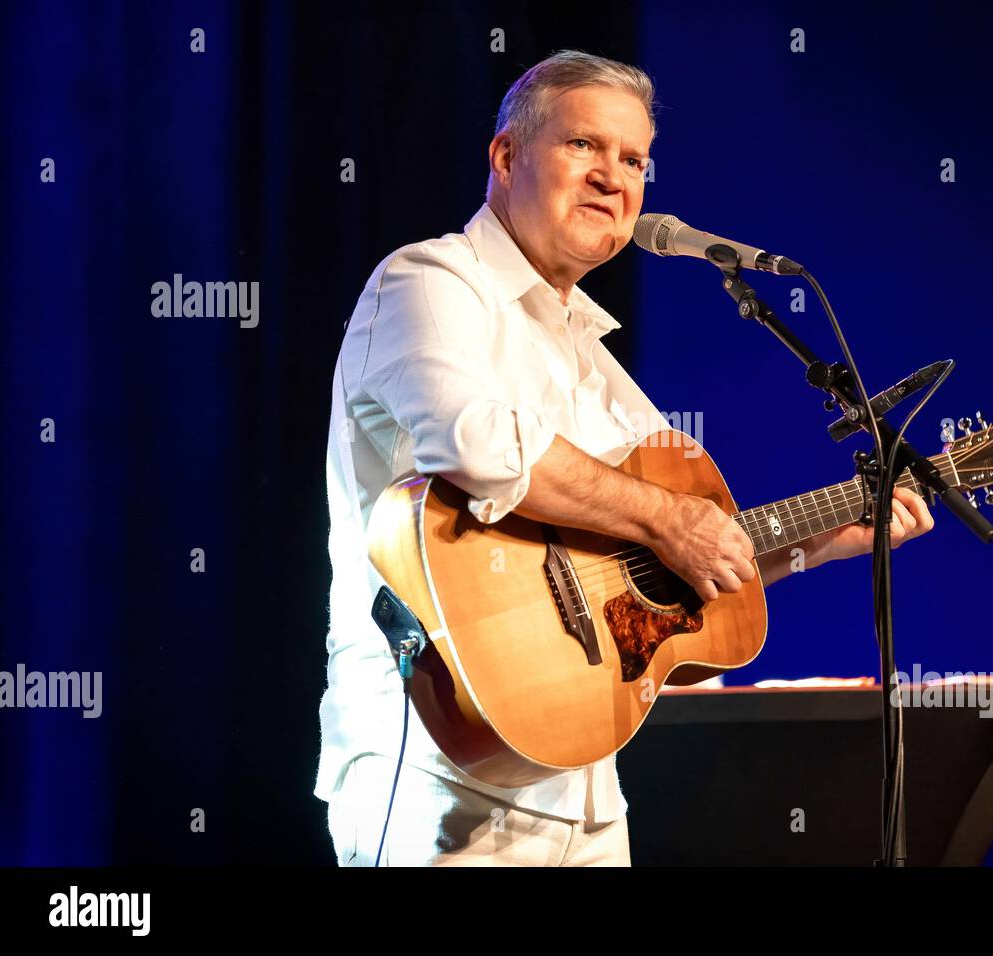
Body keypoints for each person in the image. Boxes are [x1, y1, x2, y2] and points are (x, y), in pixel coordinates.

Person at [315, 49, 935, 867]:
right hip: (437, 773)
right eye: (584, 145)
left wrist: (820, 541)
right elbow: (478, 443)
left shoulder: (590, 352)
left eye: (635, 160)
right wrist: (669, 517)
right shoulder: (428, 281)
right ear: (506, 156)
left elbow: (671, 572)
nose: (614, 177)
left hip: (585, 786)